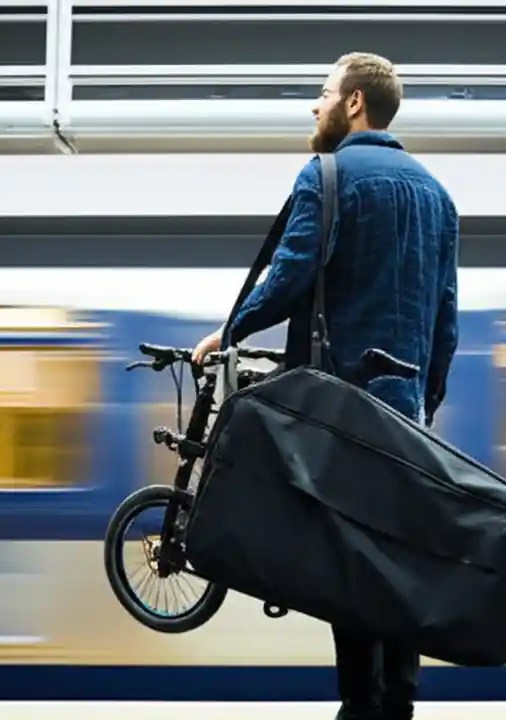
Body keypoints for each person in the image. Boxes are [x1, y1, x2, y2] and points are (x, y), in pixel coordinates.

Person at [191, 51, 460, 720]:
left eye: (323, 92)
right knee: (393, 560)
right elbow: (446, 322)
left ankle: (361, 705)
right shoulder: (438, 196)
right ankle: (397, 704)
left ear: (355, 105)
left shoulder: (328, 176)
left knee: (349, 561)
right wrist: (423, 403)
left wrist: (229, 331)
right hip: (406, 422)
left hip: (343, 408)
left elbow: (290, 274)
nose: (315, 106)